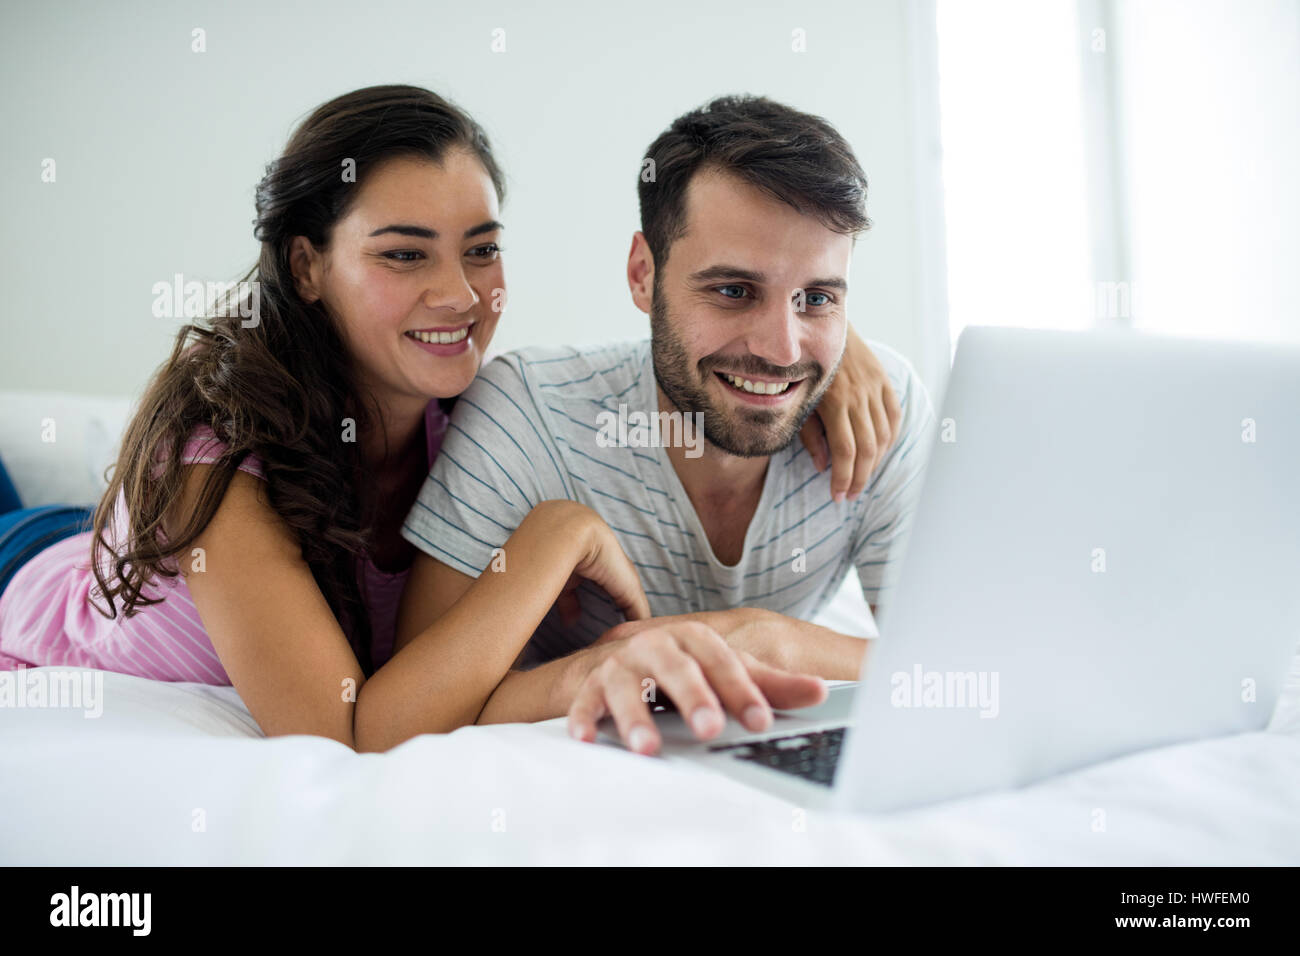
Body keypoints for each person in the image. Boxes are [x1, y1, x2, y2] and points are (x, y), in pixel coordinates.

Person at [0, 86, 901, 753]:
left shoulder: (465, 404)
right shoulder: (211, 458)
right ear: (306, 268)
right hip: (41, 576)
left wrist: (824, 347)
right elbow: (342, 732)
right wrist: (559, 533)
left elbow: (687, 346)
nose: (459, 294)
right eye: (403, 254)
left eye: (482, 250)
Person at [396, 95, 937, 755]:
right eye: (733, 291)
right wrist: (592, 671)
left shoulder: (882, 411)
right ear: (642, 275)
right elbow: (403, 714)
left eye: (817, 298)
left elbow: (960, 675)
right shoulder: (528, 417)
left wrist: (771, 641)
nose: (782, 349)